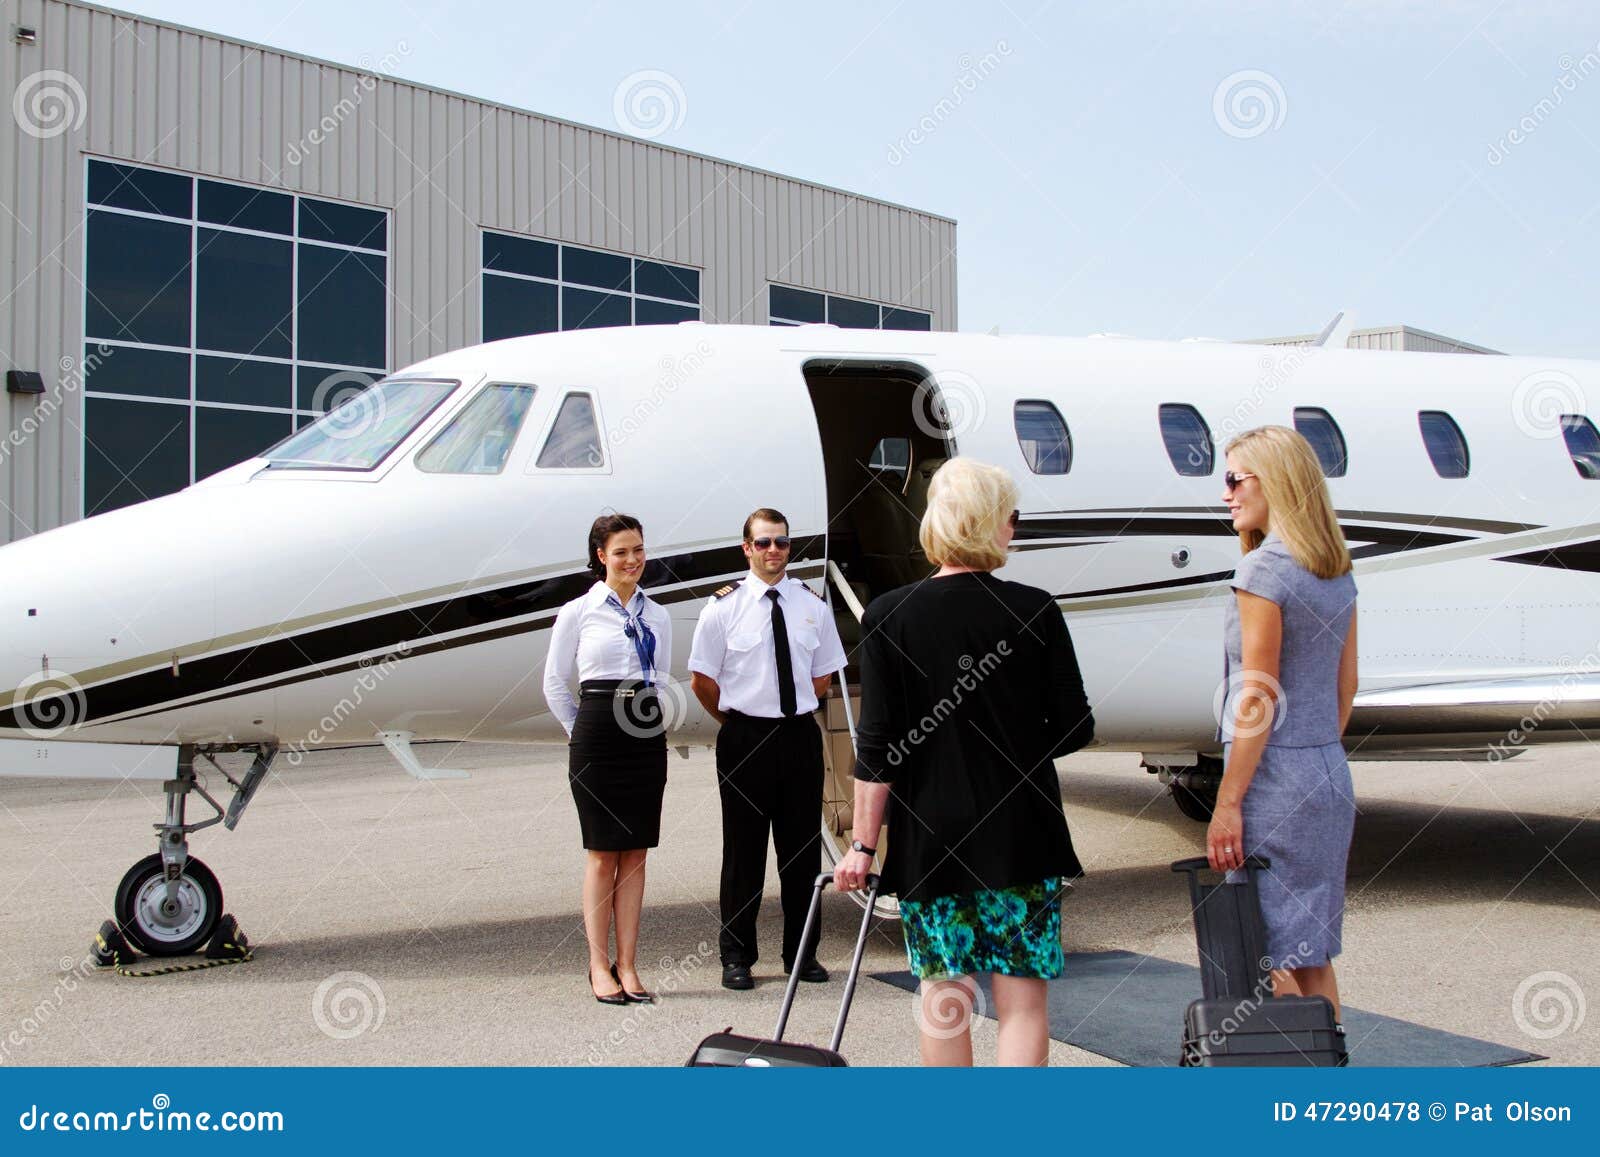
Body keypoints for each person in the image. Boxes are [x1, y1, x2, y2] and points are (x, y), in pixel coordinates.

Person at [834, 458, 1095, 1066]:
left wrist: (863, 847)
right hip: (1023, 835)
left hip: (933, 836)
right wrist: (1011, 750)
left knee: (943, 997)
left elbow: (877, 749)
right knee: (1023, 1005)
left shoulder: (890, 615)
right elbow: (1077, 726)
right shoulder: (1037, 610)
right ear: (990, 523)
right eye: (1013, 517)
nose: (1015, 529)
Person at [1207, 425, 1359, 1025]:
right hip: (1324, 769)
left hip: (1273, 780)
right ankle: (1328, 1082)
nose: (1227, 494)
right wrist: (1315, 744)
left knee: (1264, 955)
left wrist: (1227, 800)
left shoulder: (1264, 573)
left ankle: (1284, 1094)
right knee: (1312, 954)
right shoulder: (1333, 569)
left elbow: (1257, 697)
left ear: (1276, 482)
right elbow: (1345, 685)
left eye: (1235, 479)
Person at [688, 508, 847, 991]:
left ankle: (801, 955)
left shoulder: (811, 605)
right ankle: (737, 957)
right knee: (744, 854)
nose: (773, 550)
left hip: (798, 735)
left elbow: (822, 677)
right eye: (762, 543)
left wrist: (787, 712)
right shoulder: (722, 608)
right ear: (746, 548)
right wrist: (739, 720)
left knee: (801, 854)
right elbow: (702, 681)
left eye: (780, 542)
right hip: (744, 739)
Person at [543, 513, 672, 1006]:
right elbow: (555, 683)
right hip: (596, 730)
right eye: (621, 551)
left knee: (636, 852)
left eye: (638, 549)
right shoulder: (578, 611)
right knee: (602, 854)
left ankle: (630, 963)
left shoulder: (657, 614)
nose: (632, 560)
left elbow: (658, 678)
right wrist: (580, 730)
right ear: (601, 556)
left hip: (643, 730)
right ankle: (598, 965)